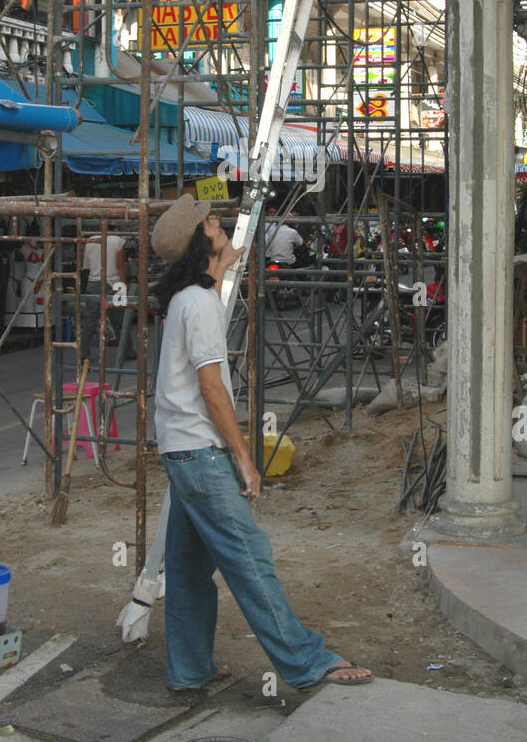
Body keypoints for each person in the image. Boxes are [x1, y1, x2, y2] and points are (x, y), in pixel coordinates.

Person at [150, 194, 373, 691]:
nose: (219, 223)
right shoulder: (201, 303)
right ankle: (306, 663)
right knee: (250, 558)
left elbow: (199, 381)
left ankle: (190, 672)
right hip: (201, 454)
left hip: (179, 450)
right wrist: (245, 458)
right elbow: (211, 387)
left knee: (186, 573)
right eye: (210, 223)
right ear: (197, 245)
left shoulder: (189, 298)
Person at [80, 230, 131, 366]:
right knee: (120, 320)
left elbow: (85, 267)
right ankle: (127, 350)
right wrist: (124, 284)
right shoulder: (118, 241)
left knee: (89, 322)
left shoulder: (90, 241)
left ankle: (83, 355)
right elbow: (120, 265)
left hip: (93, 283)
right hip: (113, 284)